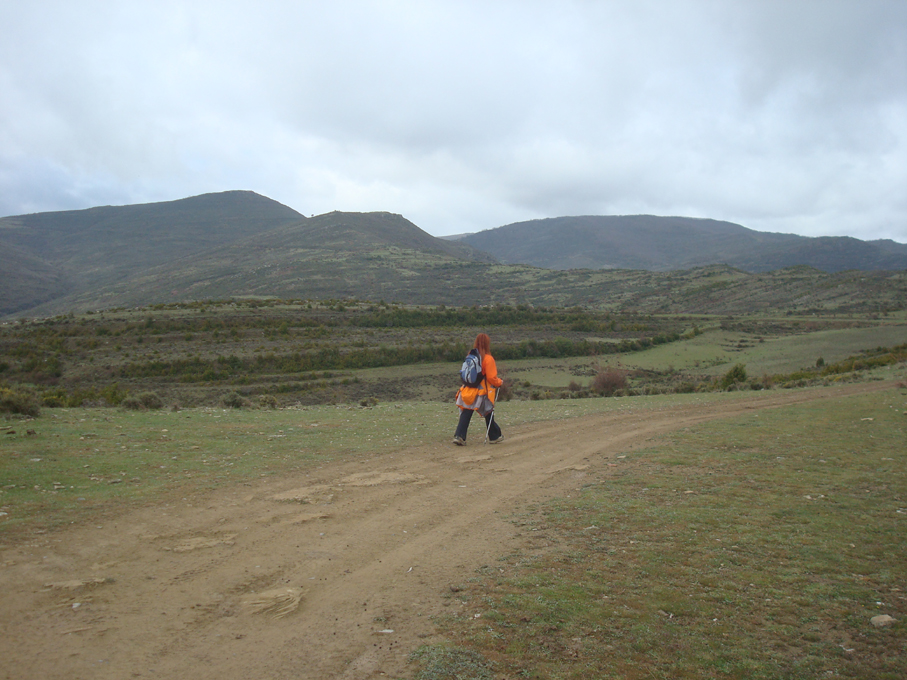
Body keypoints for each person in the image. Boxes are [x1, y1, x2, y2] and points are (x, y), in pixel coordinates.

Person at [453, 332, 504, 445]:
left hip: (468, 389)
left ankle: (459, 436)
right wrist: (499, 382)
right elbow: (491, 377)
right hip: (481, 391)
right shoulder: (488, 359)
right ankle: (494, 436)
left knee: (466, 411)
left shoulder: (470, 356)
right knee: (488, 411)